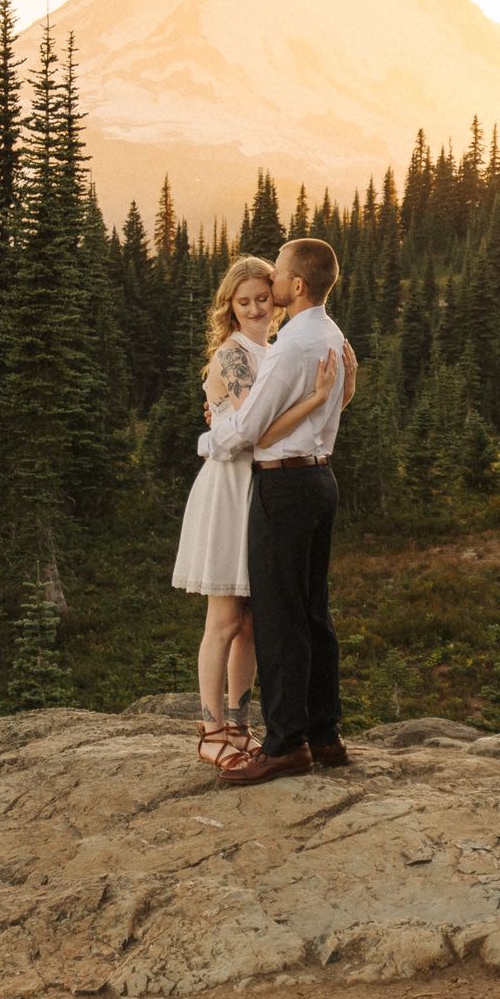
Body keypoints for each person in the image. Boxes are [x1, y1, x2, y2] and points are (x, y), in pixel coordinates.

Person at [170, 254, 349, 771]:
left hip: (263, 485)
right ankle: (213, 728)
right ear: (229, 306)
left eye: (262, 298)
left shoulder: (280, 348)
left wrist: (333, 395)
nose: (254, 308)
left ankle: (247, 724)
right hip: (233, 487)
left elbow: (258, 429)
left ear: (281, 294)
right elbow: (252, 433)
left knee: (258, 620)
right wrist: (319, 399)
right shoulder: (246, 354)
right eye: (242, 301)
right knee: (230, 617)